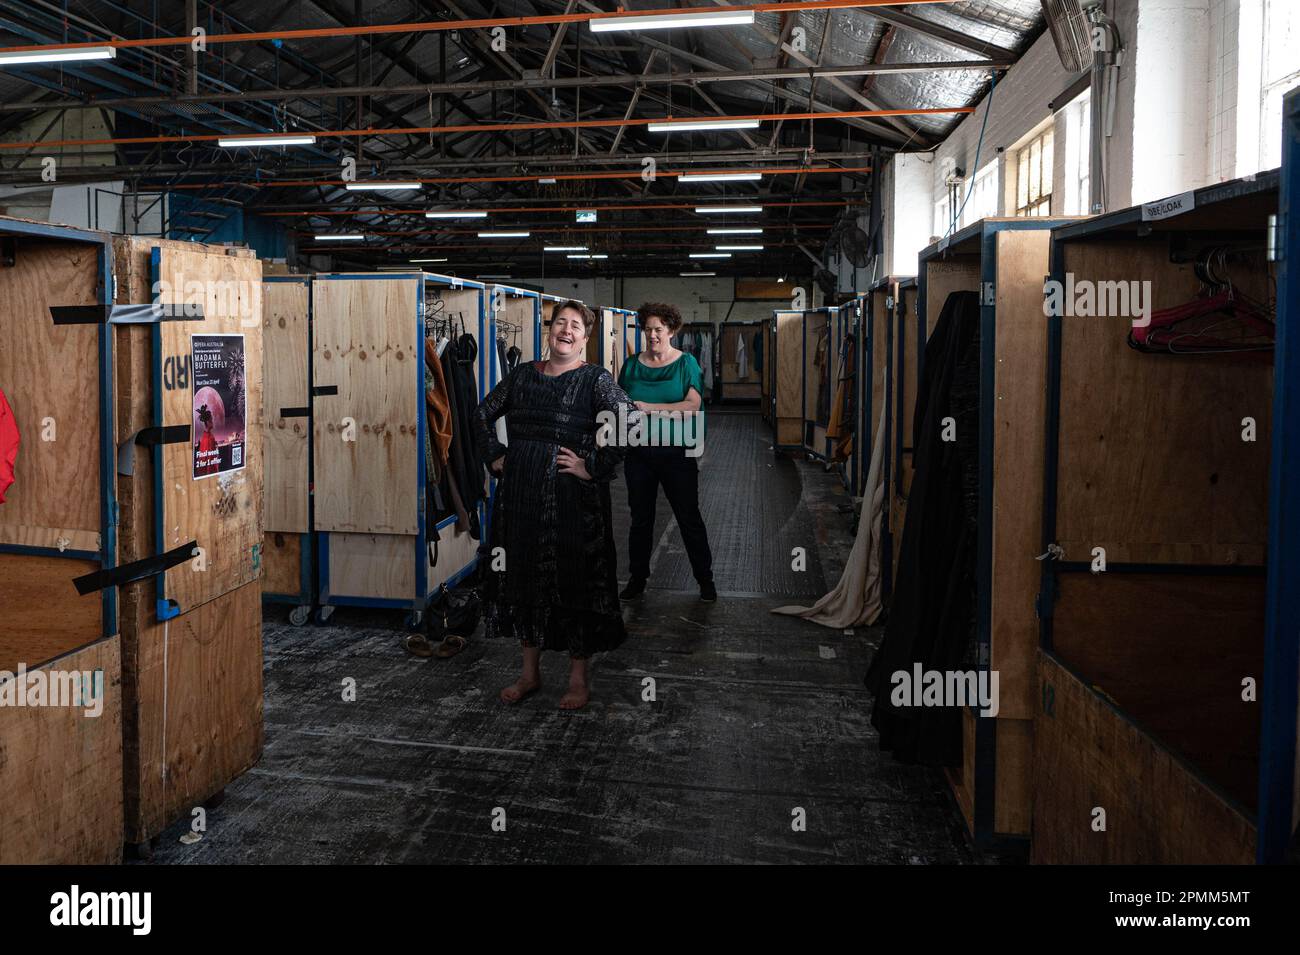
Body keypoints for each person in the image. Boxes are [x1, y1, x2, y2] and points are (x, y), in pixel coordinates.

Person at [474, 300, 639, 709]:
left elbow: (630, 420)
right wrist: (494, 454)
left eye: (576, 326)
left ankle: (578, 680)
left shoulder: (595, 379)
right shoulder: (523, 375)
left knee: (573, 584)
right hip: (521, 497)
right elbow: (481, 413)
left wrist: (593, 466)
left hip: (572, 500)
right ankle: (530, 674)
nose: (566, 330)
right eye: (560, 323)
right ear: (550, 330)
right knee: (524, 579)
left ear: (586, 338)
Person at [617, 302, 716, 602]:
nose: (652, 335)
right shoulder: (632, 365)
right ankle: (637, 578)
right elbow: (619, 403)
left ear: (671, 330)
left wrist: (650, 409)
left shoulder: (686, 363)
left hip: (677, 454)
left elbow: (692, 406)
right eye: (647, 329)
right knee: (640, 519)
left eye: (658, 329)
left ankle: (705, 580)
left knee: (688, 517)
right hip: (639, 454)